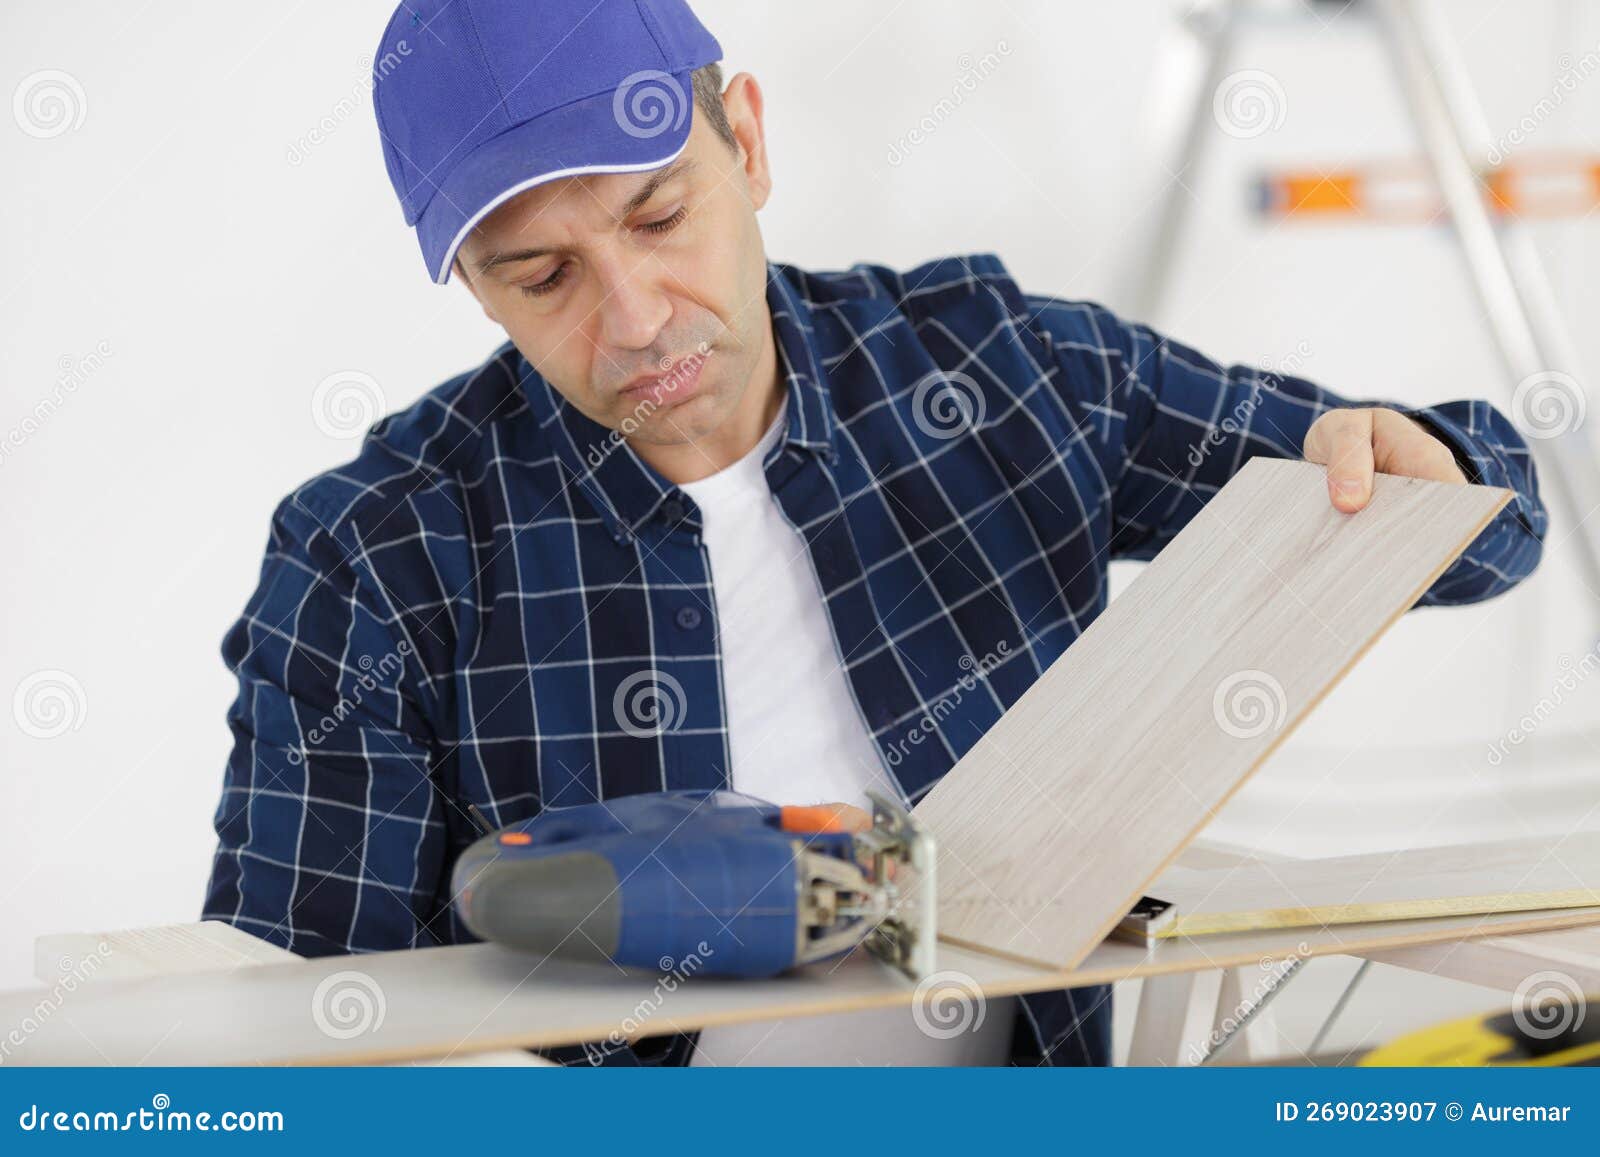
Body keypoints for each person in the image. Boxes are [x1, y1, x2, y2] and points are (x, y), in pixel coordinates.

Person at [202, 0, 1546, 1066]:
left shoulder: (1005, 375)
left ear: (748, 142)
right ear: (473, 288)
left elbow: (1484, 518)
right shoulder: (372, 556)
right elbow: (300, 1024)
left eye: (660, 217)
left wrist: (1424, 470)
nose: (637, 318)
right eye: (544, 277)